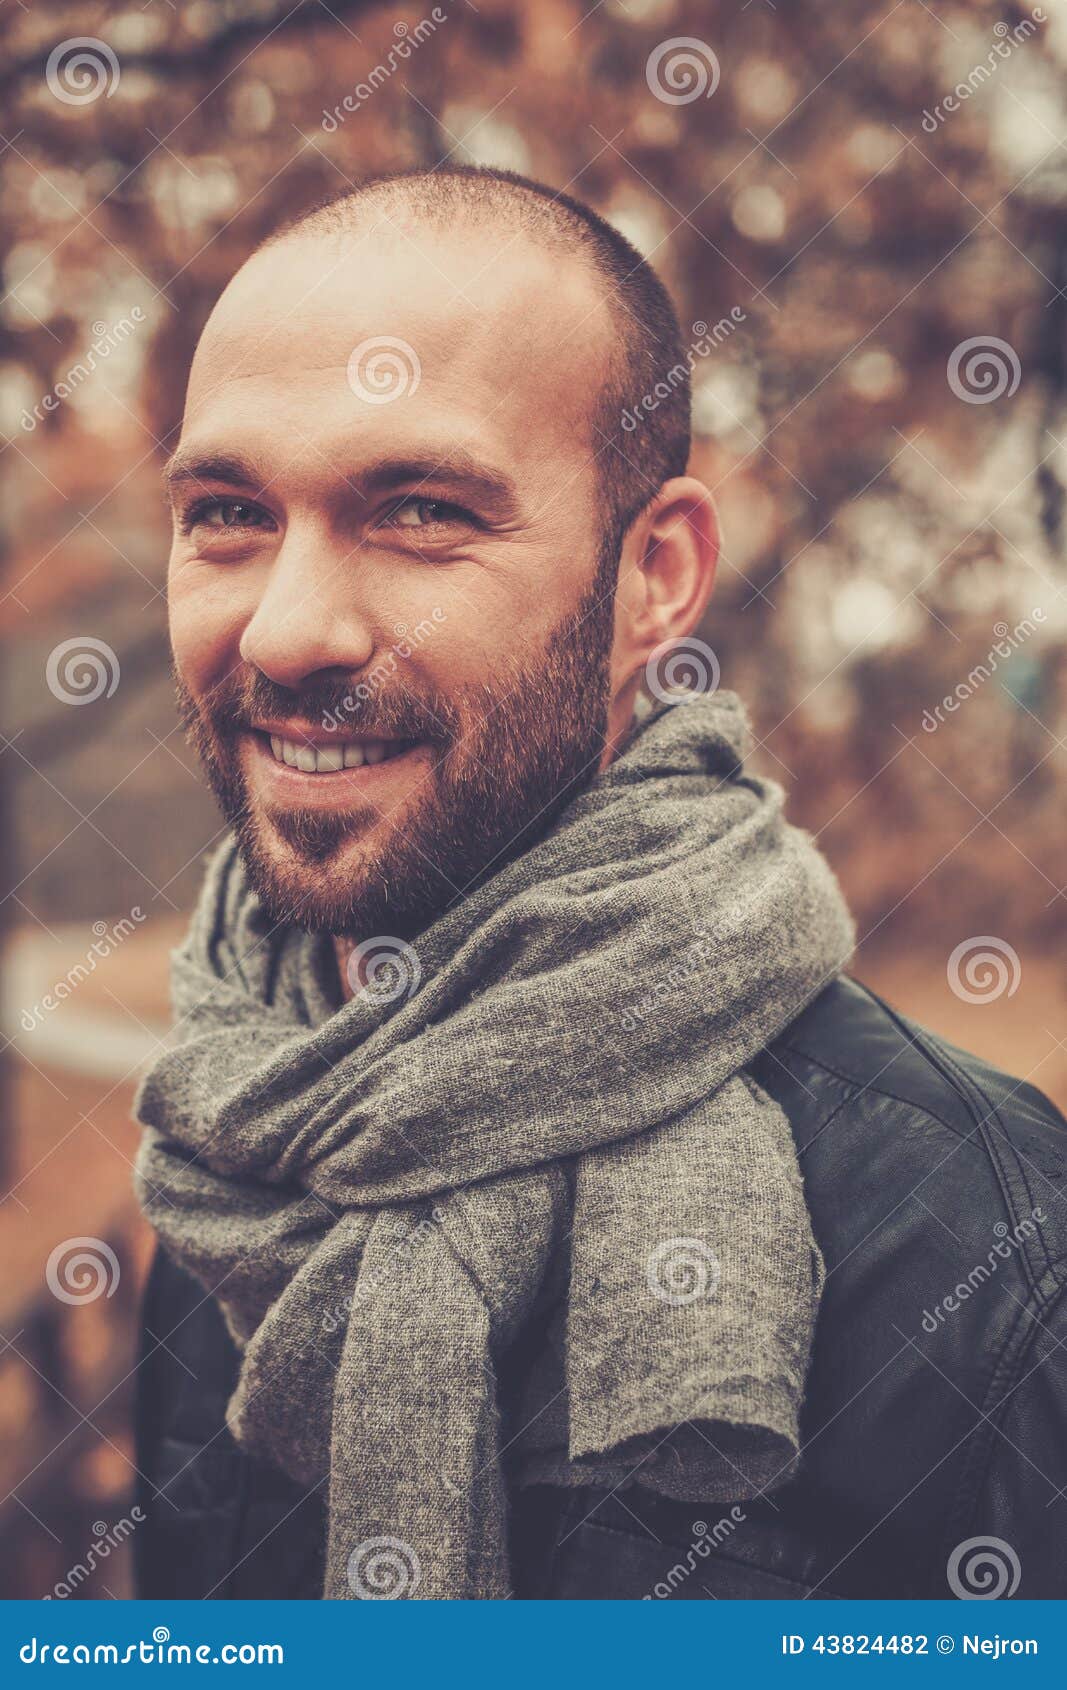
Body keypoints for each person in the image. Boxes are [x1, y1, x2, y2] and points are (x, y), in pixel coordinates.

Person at [132, 167, 1067, 1601]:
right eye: (227, 513)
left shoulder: (991, 1259)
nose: (290, 628)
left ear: (658, 578)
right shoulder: (234, 1153)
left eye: (423, 510)